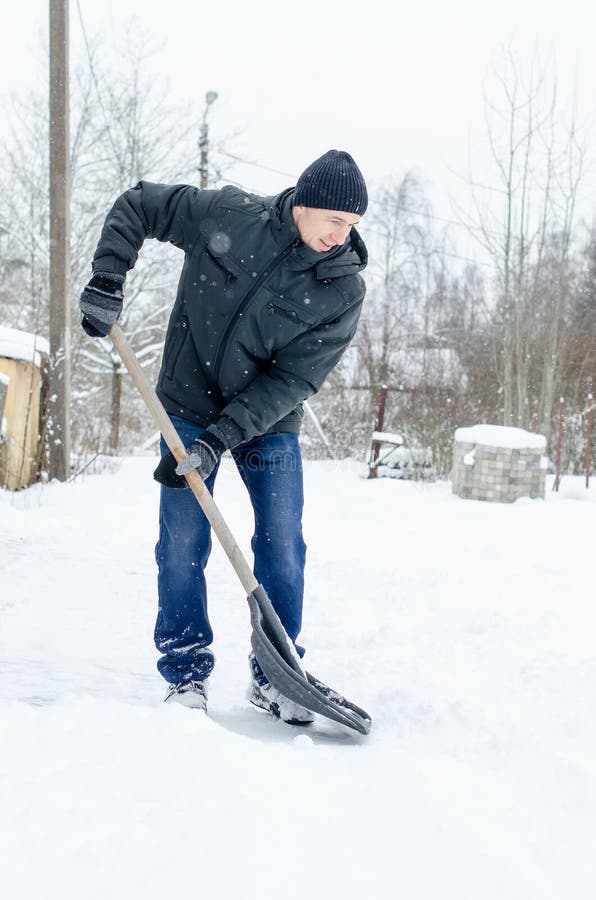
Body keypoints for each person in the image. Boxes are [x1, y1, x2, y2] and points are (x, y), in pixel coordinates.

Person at [79, 149, 368, 723]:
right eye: (335, 220)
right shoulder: (229, 215)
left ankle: (277, 676)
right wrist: (109, 274)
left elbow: (293, 379)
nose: (342, 235)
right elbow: (139, 205)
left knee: (283, 543)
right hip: (186, 405)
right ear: (304, 204)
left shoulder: (341, 292)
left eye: (353, 226)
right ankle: (185, 672)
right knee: (183, 541)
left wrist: (222, 438)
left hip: (266, 422)